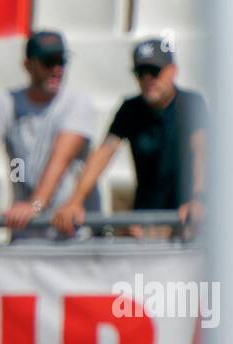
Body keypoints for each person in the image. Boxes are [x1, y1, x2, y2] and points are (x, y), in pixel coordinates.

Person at [0, 30, 99, 238]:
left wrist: (35, 206)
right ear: (28, 65)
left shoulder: (77, 103)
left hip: (73, 233)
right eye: (49, 62)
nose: (57, 69)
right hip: (27, 231)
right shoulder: (7, 102)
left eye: (62, 61)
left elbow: (61, 160)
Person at [52, 38, 208, 237]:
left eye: (154, 72)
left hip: (186, 219)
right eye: (141, 73)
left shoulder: (190, 103)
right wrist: (74, 202)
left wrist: (199, 200)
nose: (147, 79)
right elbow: (103, 153)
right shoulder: (130, 109)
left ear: (172, 71)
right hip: (146, 222)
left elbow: (202, 152)